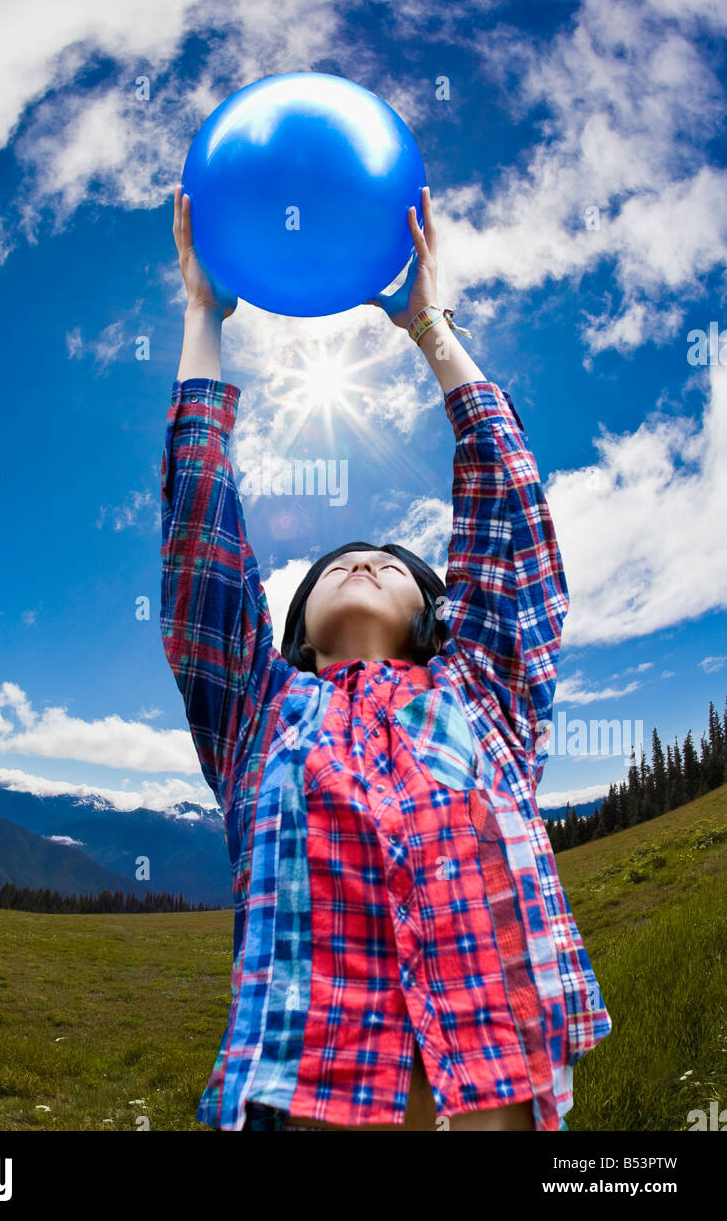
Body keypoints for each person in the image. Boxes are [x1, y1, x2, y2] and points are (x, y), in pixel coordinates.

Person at [160, 182, 611, 1131]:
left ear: (434, 616)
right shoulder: (255, 714)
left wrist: (431, 328)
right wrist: (203, 315)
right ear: (291, 628)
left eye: (396, 564)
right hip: (292, 1103)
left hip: (497, 1103)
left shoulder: (486, 695)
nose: (362, 558)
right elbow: (202, 543)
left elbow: (512, 521)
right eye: (332, 566)